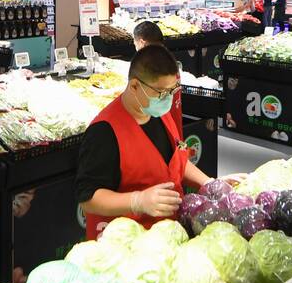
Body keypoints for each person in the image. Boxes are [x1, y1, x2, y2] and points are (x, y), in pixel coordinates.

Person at [76, 45, 211, 238]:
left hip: (167, 235)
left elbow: (177, 162)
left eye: (172, 90)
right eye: (161, 92)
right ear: (134, 86)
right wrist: (137, 201)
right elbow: (88, 197)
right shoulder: (104, 132)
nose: (168, 98)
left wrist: (209, 183)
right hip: (127, 243)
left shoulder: (159, 113)